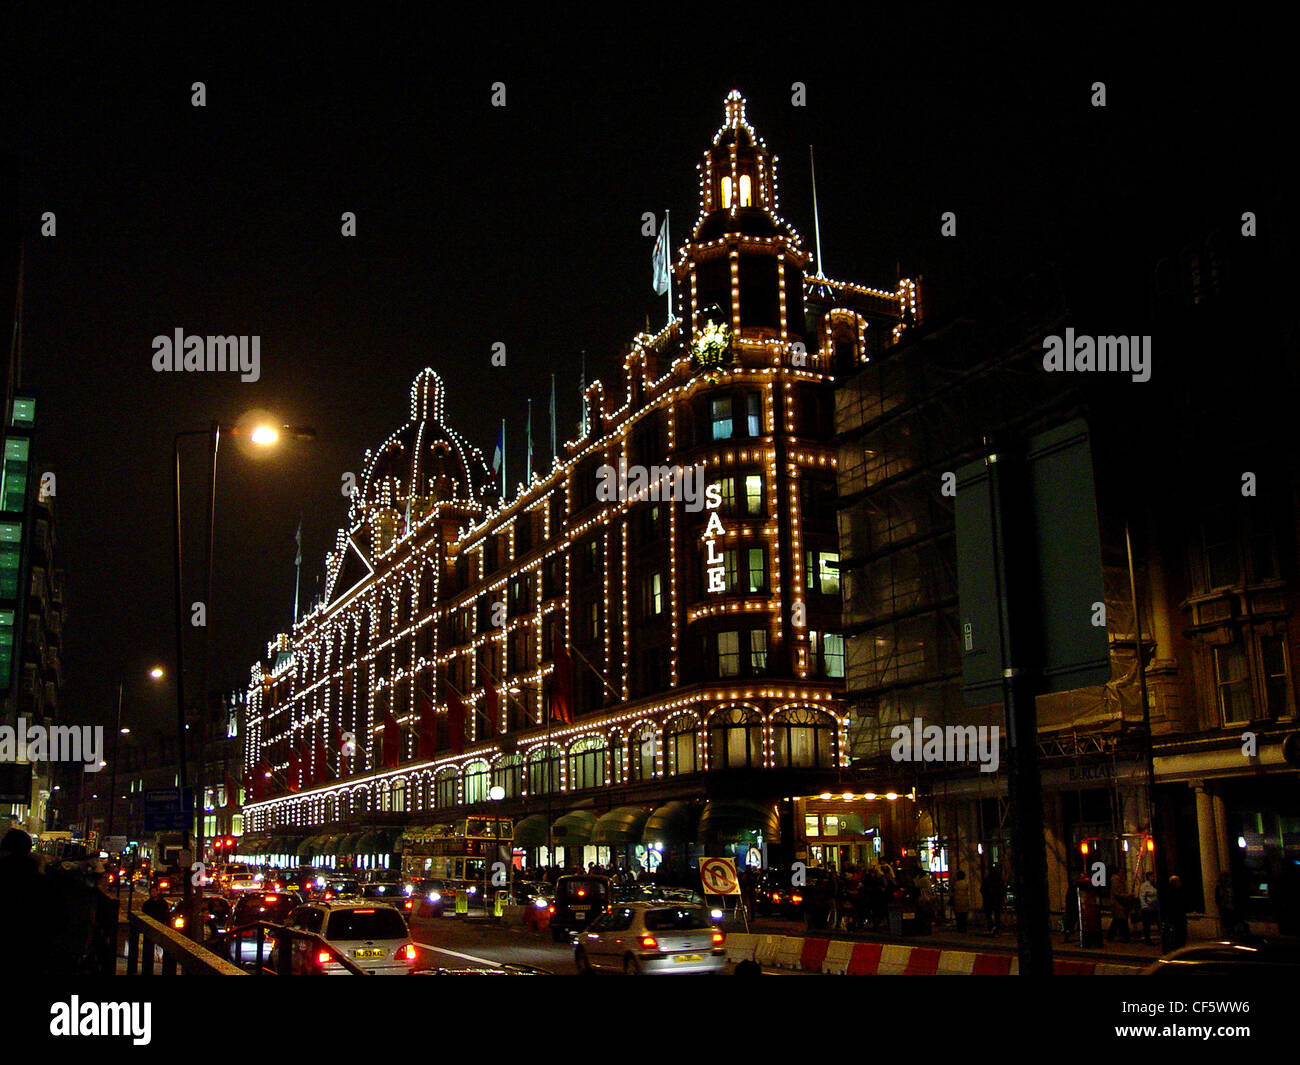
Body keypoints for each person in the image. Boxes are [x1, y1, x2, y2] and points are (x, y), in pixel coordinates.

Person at [1214, 872, 1242, 939]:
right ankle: (1229, 934)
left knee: (1232, 921)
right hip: (1225, 907)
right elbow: (1218, 898)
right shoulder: (1220, 888)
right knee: (1227, 922)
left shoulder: (1230, 887)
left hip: (1230, 907)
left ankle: (1232, 934)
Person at [981, 866, 1005, 936]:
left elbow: (982, 890)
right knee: (997, 915)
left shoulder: (987, 880)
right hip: (997, 900)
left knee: (989, 915)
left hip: (989, 900)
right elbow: (1002, 890)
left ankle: (992, 928)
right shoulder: (999, 880)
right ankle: (996, 928)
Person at [1138, 871, 1159, 945]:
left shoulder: (1155, 885)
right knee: (1147, 925)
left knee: (1159, 923)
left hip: (1155, 907)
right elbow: (1142, 897)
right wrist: (1145, 906)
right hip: (1148, 908)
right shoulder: (1145, 886)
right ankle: (1148, 940)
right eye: (1152, 876)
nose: (1153, 878)